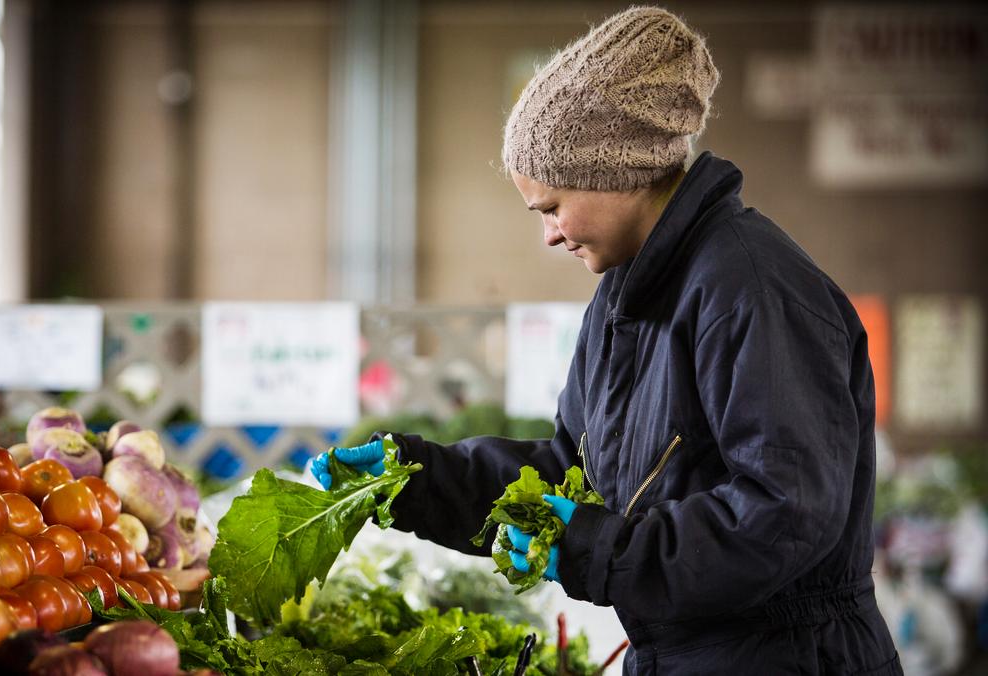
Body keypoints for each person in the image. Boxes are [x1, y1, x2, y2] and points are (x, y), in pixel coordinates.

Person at [310, 6, 901, 675]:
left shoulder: (751, 289)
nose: (550, 235)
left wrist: (597, 548)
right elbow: (575, 473)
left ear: (614, 172)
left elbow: (783, 514)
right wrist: (415, 480)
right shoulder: (626, 297)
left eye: (554, 206)